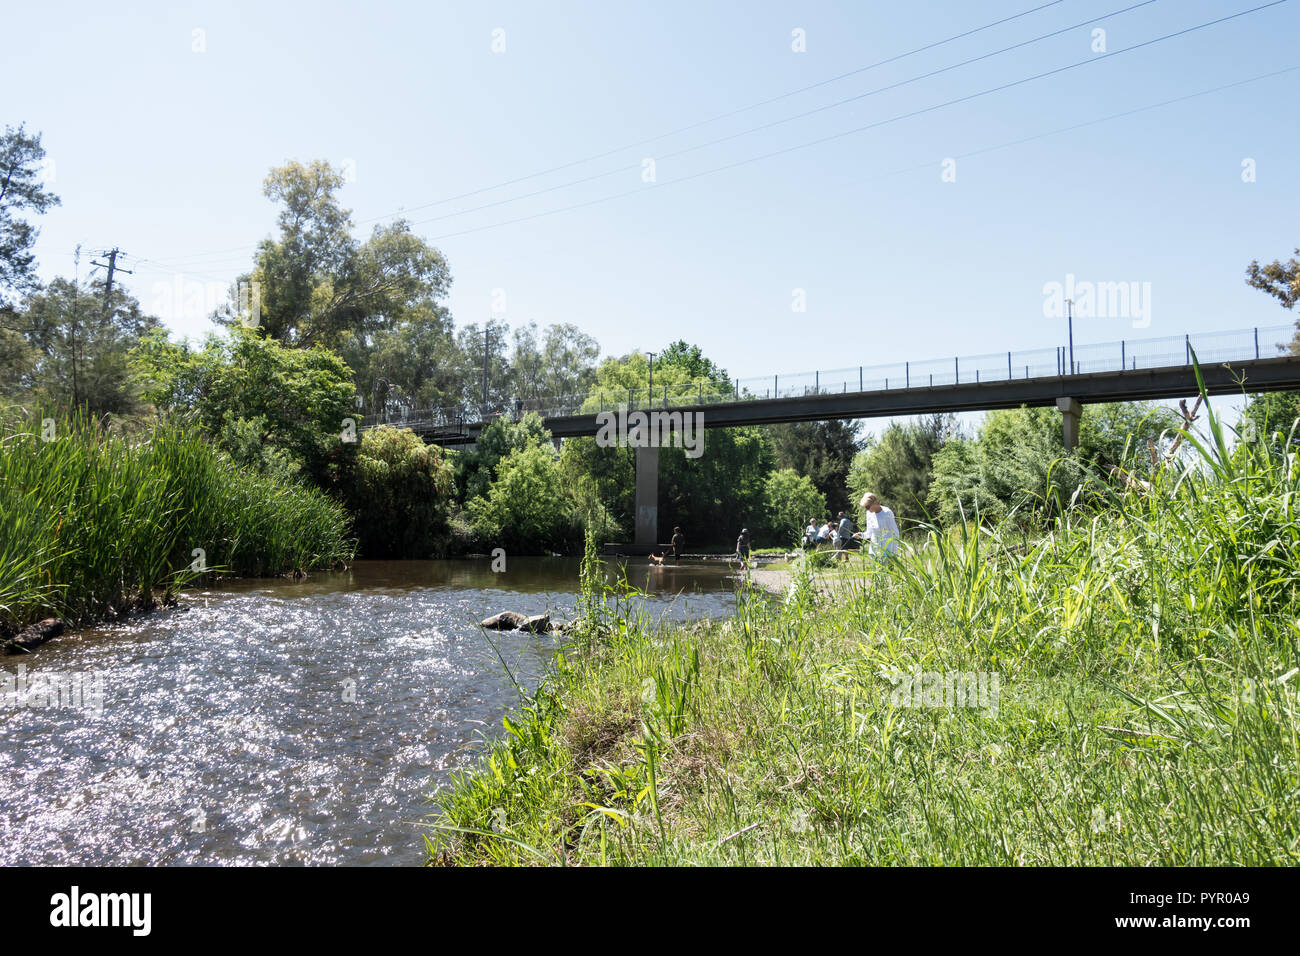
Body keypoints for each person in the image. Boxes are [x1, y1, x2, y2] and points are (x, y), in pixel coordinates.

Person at [860, 493, 900, 559]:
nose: (867, 509)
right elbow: (869, 532)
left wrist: (893, 552)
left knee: (887, 568)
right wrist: (861, 535)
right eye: (865, 507)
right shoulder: (869, 514)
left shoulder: (887, 512)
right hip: (874, 549)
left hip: (887, 549)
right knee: (875, 569)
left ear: (875, 502)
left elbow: (895, 533)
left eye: (868, 507)